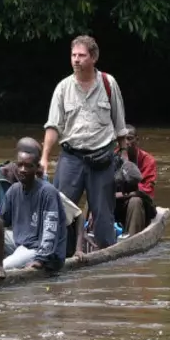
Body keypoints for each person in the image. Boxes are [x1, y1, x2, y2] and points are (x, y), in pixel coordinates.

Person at [41, 35, 128, 251]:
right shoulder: (63, 88)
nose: (76, 60)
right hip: (71, 158)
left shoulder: (108, 83)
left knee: (103, 212)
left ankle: (107, 256)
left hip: (102, 159)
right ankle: (61, 253)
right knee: (61, 208)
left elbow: (119, 122)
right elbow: (53, 126)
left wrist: (124, 152)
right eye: (73, 55)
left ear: (94, 57)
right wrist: (44, 157)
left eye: (81, 55)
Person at [0, 139, 67, 271]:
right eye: (20, 165)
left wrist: (40, 260)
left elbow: (50, 231)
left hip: (41, 250)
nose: (22, 170)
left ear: (37, 168)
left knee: (5, 266)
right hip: (22, 242)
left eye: (28, 166)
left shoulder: (47, 192)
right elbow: (1, 218)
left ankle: (1, 270)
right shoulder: (14, 190)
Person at [115, 124, 158, 235]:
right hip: (117, 201)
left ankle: (131, 239)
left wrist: (122, 194)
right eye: (123, 140)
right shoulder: (113, 157)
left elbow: (146, 191)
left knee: (135, 201)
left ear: (137, 140)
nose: (126, 143)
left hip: (142, 204)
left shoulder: (148, 160)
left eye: (129, 138)